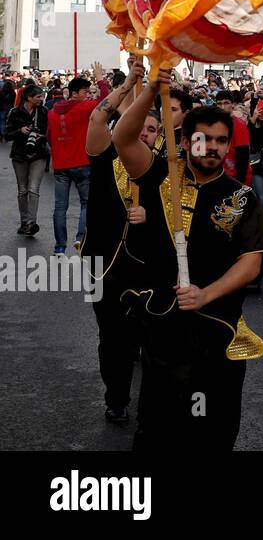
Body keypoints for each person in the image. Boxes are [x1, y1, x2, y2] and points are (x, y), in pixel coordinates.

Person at [113, 80, 263, 451]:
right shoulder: (160, 174)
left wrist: (206, 295)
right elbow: (123, 138)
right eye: (203, 139)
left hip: (218, 330)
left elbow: (251, 264)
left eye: (220, 140)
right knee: (158, 427)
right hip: (165, 329)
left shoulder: (240, 197)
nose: (212, 147)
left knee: (214, 429)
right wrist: (152, 88)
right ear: (185, 141)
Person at [81, 59, 150, 425]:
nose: (145, 132)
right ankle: (117, 397)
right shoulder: (105, 156)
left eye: (153, 128)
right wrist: (127, 85)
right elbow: (96, 119)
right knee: (113, 339)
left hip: (150, 267)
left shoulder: (166, 168)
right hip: (104, 265)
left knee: (152, 338)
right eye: (139, 125)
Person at [50, 72, 109, 254]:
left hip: (60, 165)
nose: (89, 94)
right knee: (86, 203)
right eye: (85, 91)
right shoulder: (84, 108)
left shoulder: (52, 112)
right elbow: (107, 100)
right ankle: (80, 238)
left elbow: (49, 137)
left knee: (60, 206)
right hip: (82, 163)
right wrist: (100, 79)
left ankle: (60, 246)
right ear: (74, 93)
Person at [7, 85, 50, 240]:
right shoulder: (15, 112)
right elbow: (7, 134)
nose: (41, 99)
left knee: (33, 189)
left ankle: (32, 223)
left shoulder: (44, 111)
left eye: (42, 96)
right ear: (29, 97)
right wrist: (20, 131)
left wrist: (42, 136)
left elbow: (49, 132)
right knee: (22, 190)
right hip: (19, 155)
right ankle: (24, 221)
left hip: (39, 154)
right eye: (38, 96)